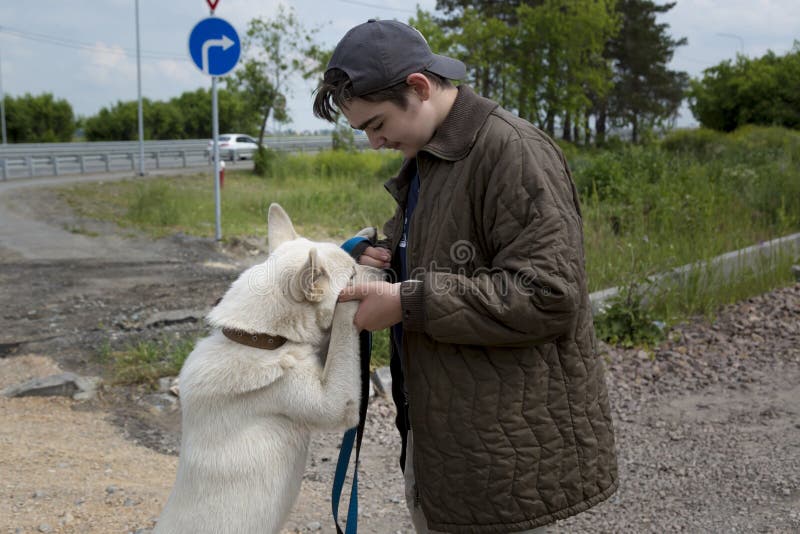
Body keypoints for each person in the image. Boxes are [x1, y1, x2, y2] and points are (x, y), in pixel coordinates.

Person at [313, 19, 618, 534]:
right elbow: (447, 256)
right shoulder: (428, 154)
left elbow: (549, 294)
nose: (373, 142)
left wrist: (408, 302)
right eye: (362, 128)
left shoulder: (512, 150)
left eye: (377, 123)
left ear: (419, 87)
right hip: (444, 443)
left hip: (505, 453)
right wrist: (382, 253)